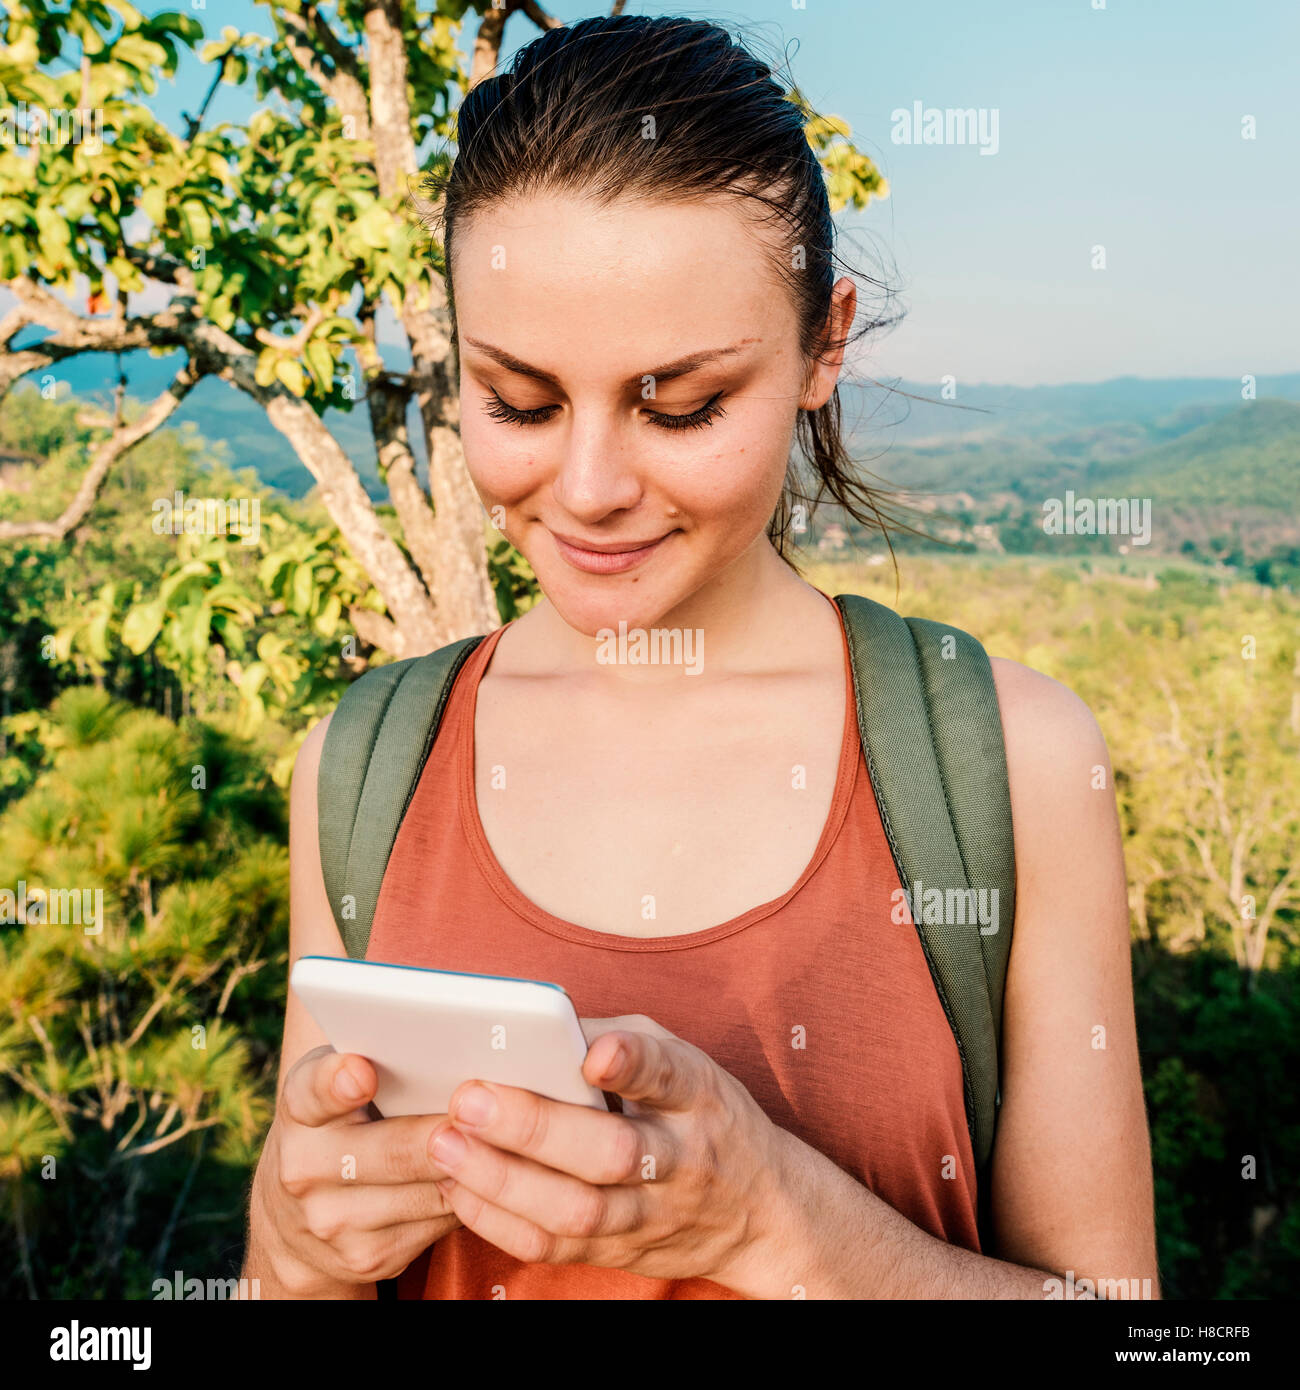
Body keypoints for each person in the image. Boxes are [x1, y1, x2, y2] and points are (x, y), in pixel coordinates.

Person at [241, 14, 1158, 1300]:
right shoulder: (361, 768)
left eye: (680, 405)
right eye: (518, 400)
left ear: (822, 344)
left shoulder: (1007, 765)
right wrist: (289, 1263)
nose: (590, 486)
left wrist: (780, 1224)